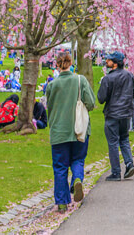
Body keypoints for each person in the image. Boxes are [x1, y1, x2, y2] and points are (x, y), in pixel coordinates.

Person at [46, 52, 96, 213]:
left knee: (60, 167)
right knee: (78, 159)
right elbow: (90, 102)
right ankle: (77, 179)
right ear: (71, 63)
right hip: (78, 128)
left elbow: (50, 107)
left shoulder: (52, 85)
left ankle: (61, 203)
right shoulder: (80, 80)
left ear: (57, 65)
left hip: (59, 130)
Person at [97, 51, 134, 180]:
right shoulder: (130, 76)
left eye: (109, 60)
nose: (106, 62)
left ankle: (116, 172)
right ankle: (129, 163)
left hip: (113, 113)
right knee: (124, 139)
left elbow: (101, 98)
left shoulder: (108, 78)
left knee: (113, 142)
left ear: (114, 63)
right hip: (125, 113)